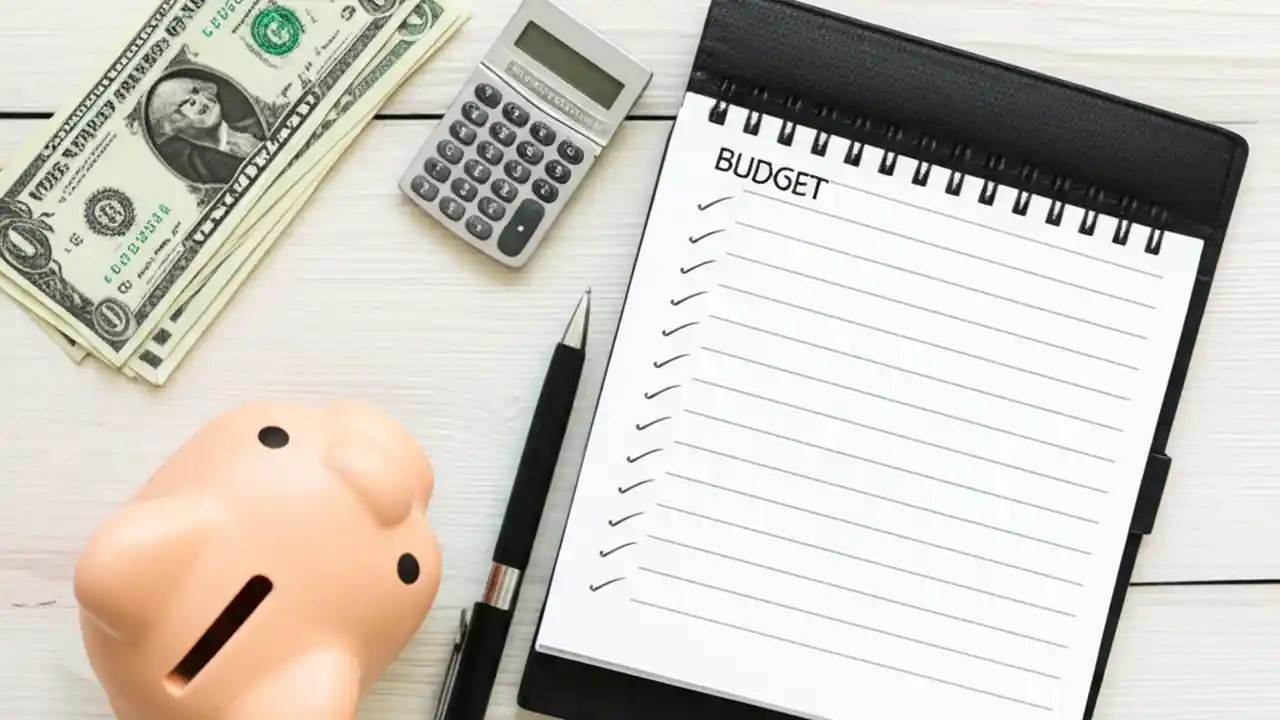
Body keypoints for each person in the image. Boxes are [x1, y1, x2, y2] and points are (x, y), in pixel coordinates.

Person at [147, 76, 264, 185]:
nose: (197, 100)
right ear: (169, 127)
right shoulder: (200, 173)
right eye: (182, 104)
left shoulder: (256, 122)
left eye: (195, 91)